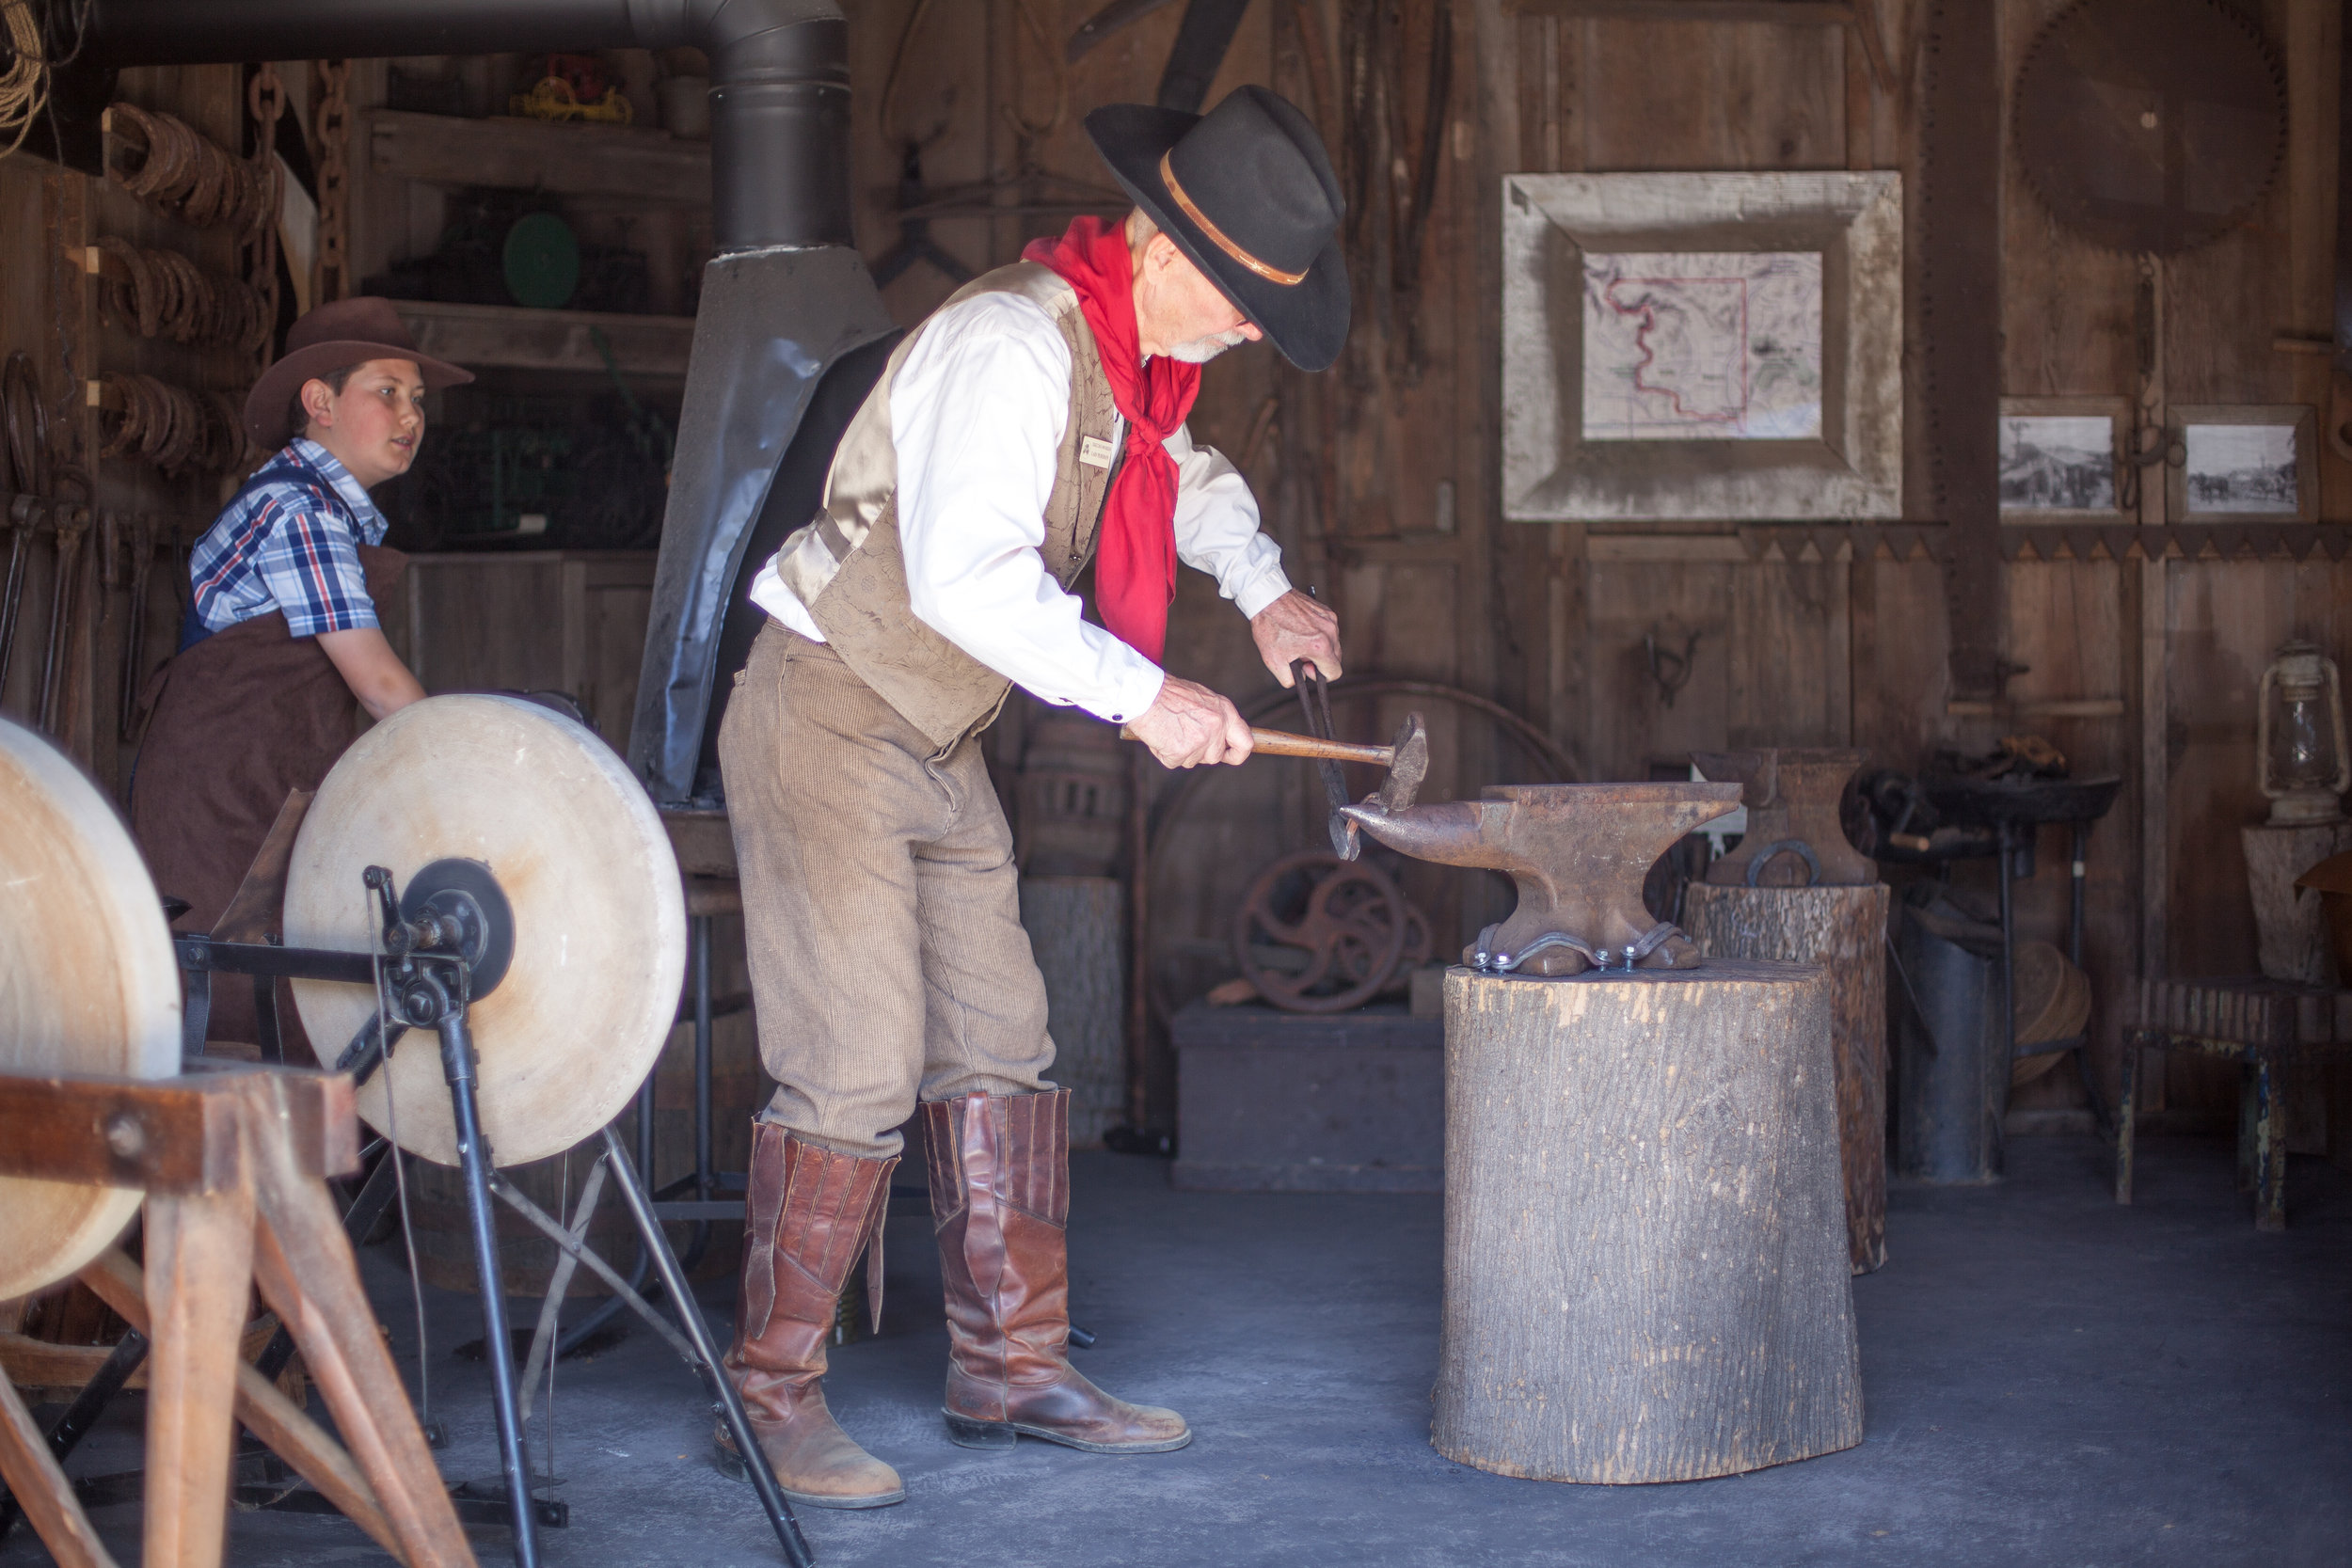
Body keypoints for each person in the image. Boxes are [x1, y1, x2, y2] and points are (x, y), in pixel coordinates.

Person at [716, 86, 1348, 1510]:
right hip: (829, 712)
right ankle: (770, 1393)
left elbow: (1172, 475)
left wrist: (1264, 594)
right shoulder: (1011, 339)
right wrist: (1147, 695)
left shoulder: (1119, 355)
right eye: (1248, 301)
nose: (1253, 330)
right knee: (861, 1058)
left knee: (1004, 1038)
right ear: (1179, 251)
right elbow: (966, 578)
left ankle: (1010, 1362)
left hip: (935, 737)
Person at [133, 296, 470, 1046]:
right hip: (220, 816)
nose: (410, 415)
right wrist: (466, 776)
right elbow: (379, 686)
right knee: (275, 1018)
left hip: (247, 802)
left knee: (297, 1018)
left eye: (416, 399)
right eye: (386, 392)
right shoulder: (301, 513)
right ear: (319, 401)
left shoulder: (317, 510)